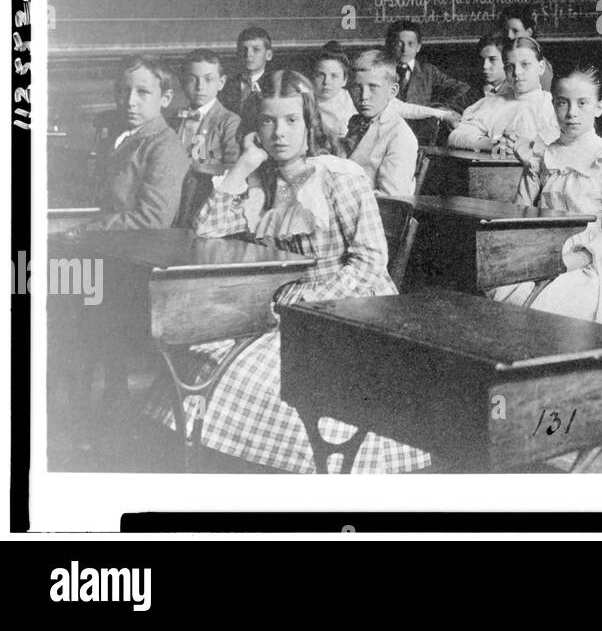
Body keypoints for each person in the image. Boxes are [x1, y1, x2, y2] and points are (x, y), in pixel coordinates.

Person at [148, 70, 431, 473]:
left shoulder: (339, 176)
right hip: (277, 307)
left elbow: (370, 264)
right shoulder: (259, 181)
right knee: (206, 362)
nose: (279, 133)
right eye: (268, 121)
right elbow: (206, 235)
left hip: (348, 310)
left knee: (271, 386)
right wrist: (244, 164)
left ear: (309, 122)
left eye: (291, 120)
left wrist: (302, 308)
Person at [493, 68, 602, 327]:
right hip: (542, 253)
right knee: (499, 288)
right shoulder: (541, 154)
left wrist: (579, 257)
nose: (572, 113)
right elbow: (521, 212)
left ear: (599, 107)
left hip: (590, 261)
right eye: (563, 103)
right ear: (553, 105)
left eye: (582, 103)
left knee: (548, 305)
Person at [87, 56, 187, 230]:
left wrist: (85, 229)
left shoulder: (165, 147)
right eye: (124, 91)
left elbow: (153, 220)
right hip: (105, 232)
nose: (130, 101)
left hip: (132, 245)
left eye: (143, 92)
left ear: (166, 98)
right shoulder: (120, 135)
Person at [449, 36, 559, 155]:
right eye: (509, 67)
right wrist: (493, 144)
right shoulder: (492, 103)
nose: (517, 72)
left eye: (525, 64)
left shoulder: (554, 106)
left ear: (541, 67)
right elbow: (455, 137)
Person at [340, 50, 418, 196]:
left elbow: (392, 199)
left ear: (392, 91)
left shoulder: (400, 136)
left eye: (373, 87)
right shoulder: (357, 122)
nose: (364, 96)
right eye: (357, 87)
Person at [384, 20, 472, 140]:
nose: (405, 50)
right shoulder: (381, 70)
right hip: (387, 133)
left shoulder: (428, 72)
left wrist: (440, 107)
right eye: (399, 44)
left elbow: (462, 89)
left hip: (420, 135)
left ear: (419, 47)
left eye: (410, 44)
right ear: (390, 44)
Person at [172, 50, 242, 166]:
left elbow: (232, 165)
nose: (200, 87)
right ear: (182, 82)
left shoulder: (229, 121)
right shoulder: (173, 119)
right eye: (192, 79)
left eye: (208, 79)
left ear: (221, 83)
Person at [219, 25, 274, 127]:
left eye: (256, 49)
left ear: (268, 55)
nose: (248, 54)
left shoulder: (275, 85)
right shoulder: (224, 85)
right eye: (244, 50)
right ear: (237, 55)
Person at [499, 5, 555, 92]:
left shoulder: (539, 65)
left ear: (529, 32)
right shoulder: (503, 58)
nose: (509, 36)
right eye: (506, 31)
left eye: (515, 31)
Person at [311, 46, 358, 143]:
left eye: (334, 76)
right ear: (312, 77)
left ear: (344, 80)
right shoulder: (307, 103)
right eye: (320, 75)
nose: (326, 82)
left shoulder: (354, 98)